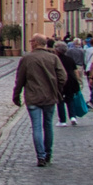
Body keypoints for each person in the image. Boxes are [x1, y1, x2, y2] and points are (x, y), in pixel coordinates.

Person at [14, 35, 67, 166]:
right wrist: (57, 89)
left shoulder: (27, 58)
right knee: (48, 125)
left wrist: (16, 95)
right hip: (50, 97)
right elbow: (63, 77)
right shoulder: (53, 58)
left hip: (33, 97)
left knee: (36, 127)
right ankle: (48, 154)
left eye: (31, 41)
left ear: (36, 43)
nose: (30, 43)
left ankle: (41, 156)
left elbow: (19, 79)